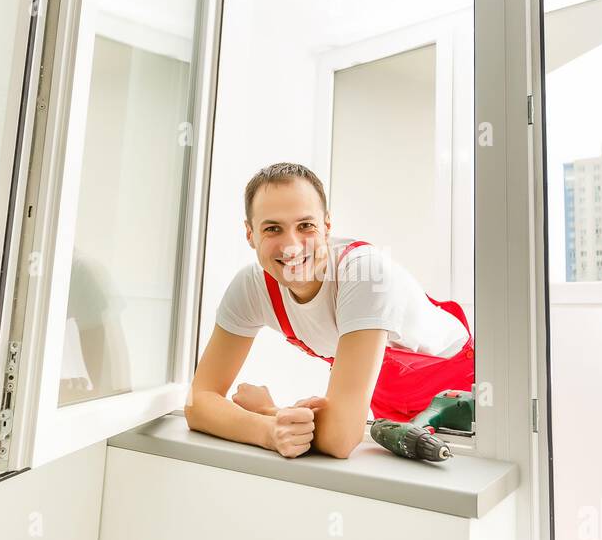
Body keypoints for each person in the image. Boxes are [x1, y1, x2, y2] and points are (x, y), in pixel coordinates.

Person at [185, 162, 474, 459]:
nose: (292, 247)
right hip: (388, 405)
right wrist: (268, 431)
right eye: (273, 228)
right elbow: (198, 403)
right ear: (250, 234)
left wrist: (270, 411)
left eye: (305, 226)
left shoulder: (363, 272)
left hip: (459, 396)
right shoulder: (252, 287)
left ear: (326, 226)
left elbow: (340, 437)